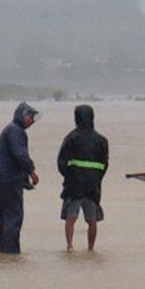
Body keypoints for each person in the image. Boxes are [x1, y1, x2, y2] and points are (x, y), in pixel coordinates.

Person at [0, 102, 39, 254]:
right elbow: (20, 155)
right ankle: (11, 254)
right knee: (13, 217)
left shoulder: (9, 130)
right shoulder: (16, 131)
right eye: (30, 117)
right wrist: (32, 172)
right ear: (22, 116)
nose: (32, 121)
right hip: (7, 180)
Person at [56, 104, 110, 251]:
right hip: (93, 186)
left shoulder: (71, 138)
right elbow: (105, 164)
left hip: (74, 185)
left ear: (76, 118)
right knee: (92, 220)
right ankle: (91, 248)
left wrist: (69, 176)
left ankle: (69, 246)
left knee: (70, 217)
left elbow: (61, 162)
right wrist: (96, 179)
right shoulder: (102, 140)